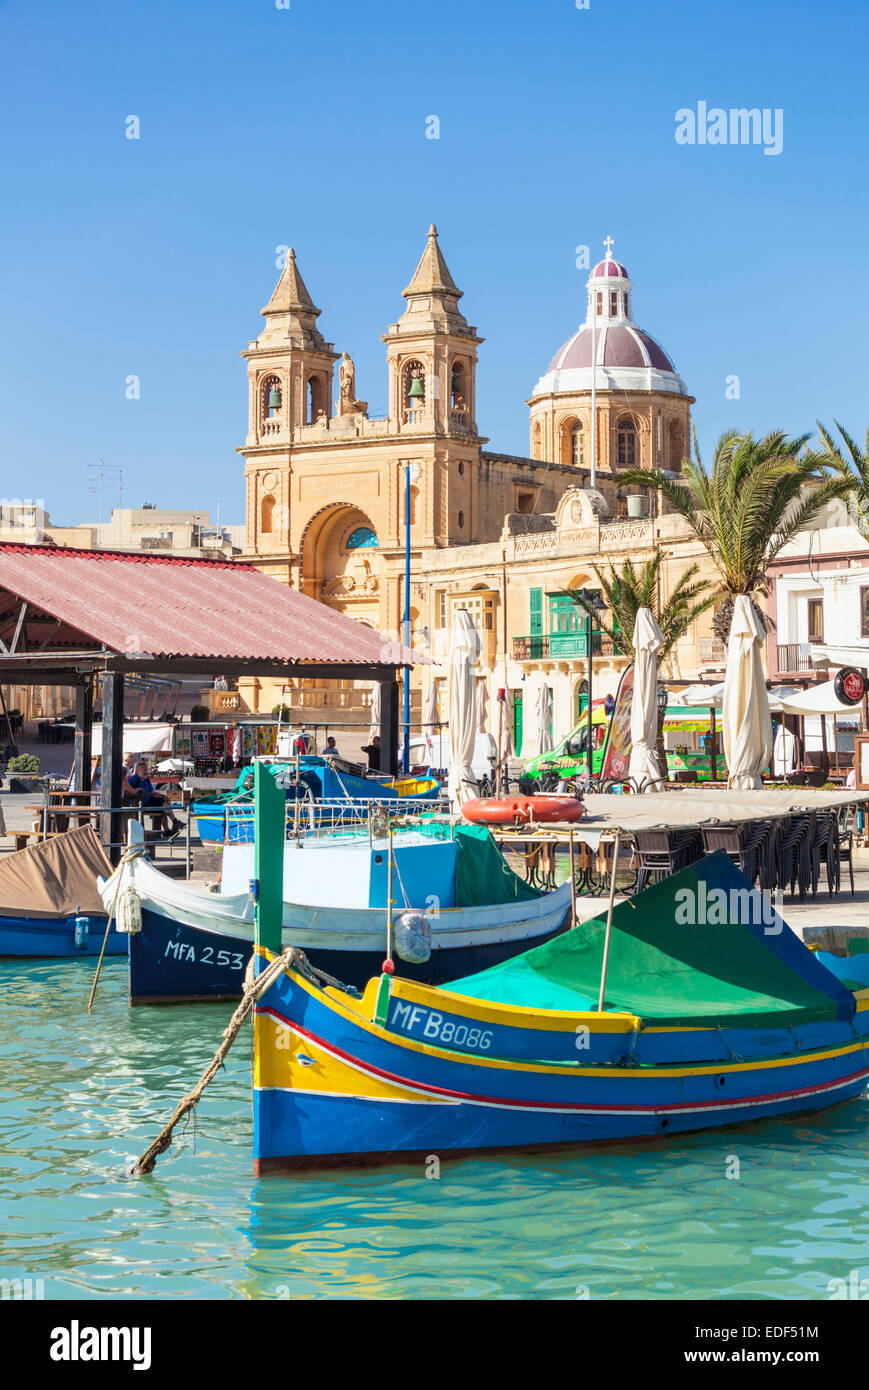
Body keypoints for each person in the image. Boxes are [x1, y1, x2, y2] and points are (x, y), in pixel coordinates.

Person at [126, 759, 184, 839]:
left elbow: (152, 792)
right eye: (145, 770)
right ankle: (173, 823)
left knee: (163, 801)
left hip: (149, 801)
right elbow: (128, 792)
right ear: (138, 770)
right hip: (139, 803)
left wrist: (163, 795)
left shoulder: (146, 779)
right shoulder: (133, 779)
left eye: (147, 769)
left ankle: (170, 827)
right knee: (162, 805)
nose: (147, 771)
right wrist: (137, 791)